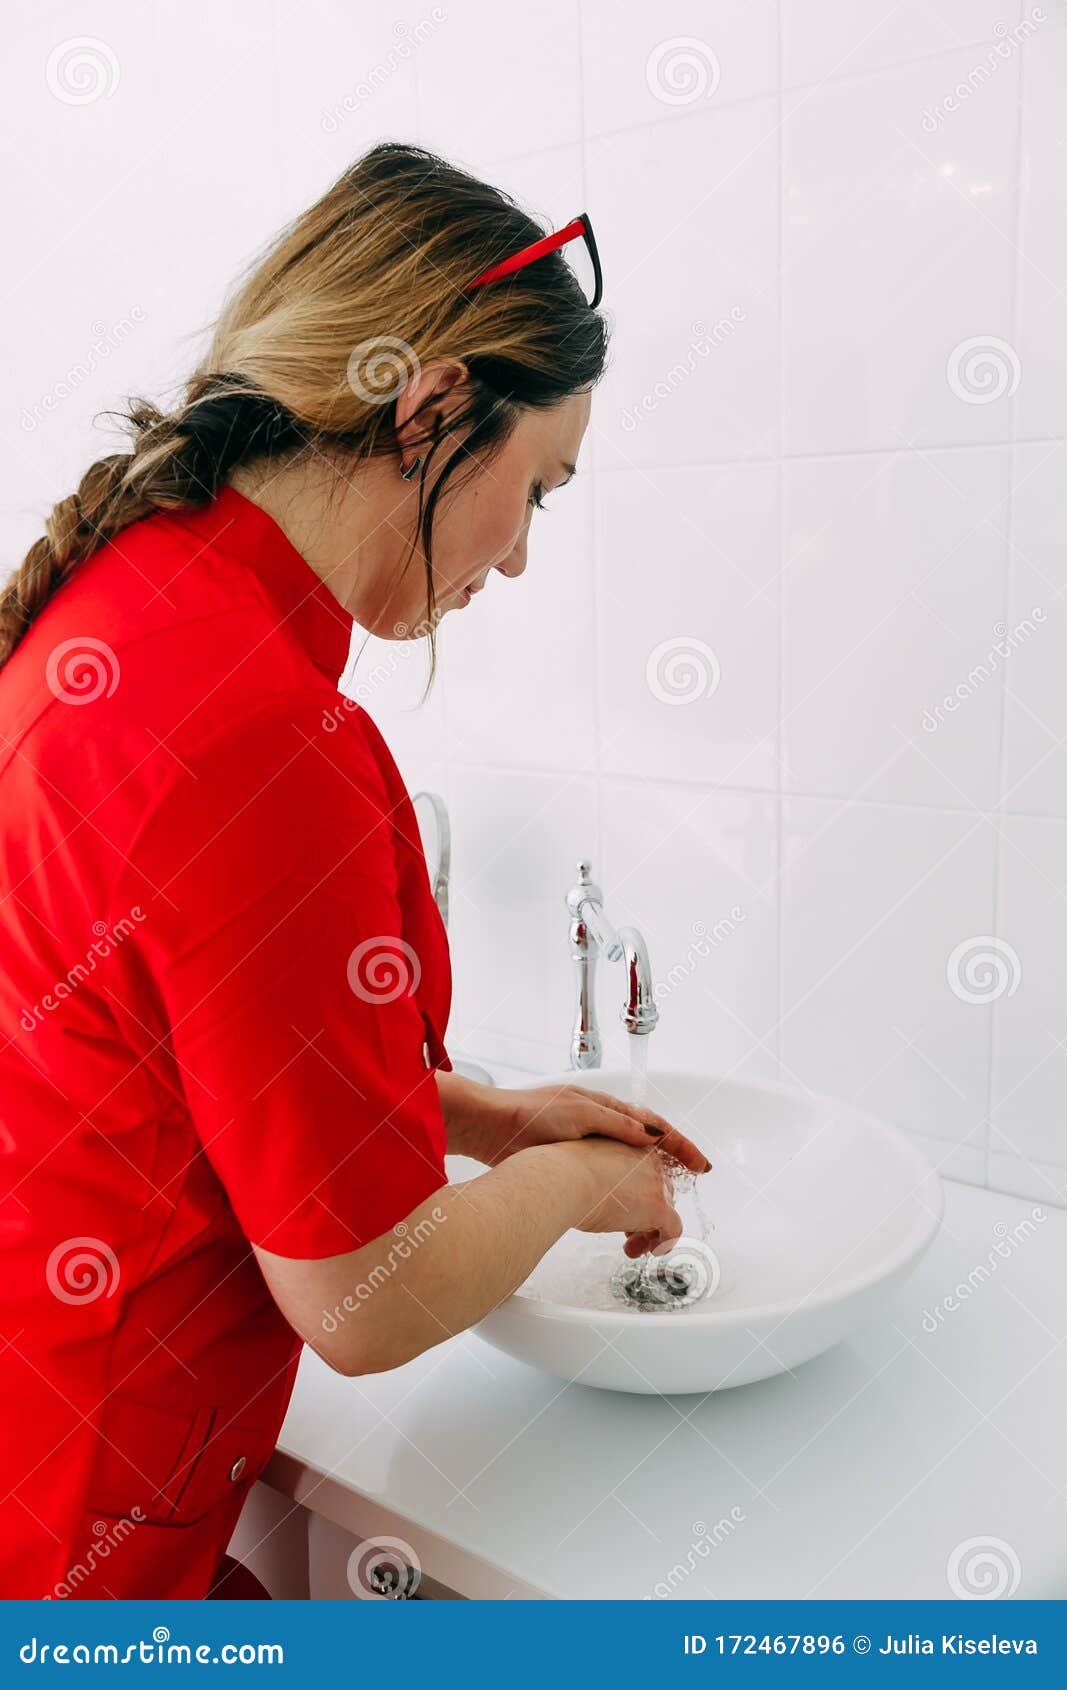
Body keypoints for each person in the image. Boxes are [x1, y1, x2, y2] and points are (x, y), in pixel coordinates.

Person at [0, 142, 709, 1601]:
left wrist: (477, 1115)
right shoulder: (256, 732)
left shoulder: (125, 598)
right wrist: (582, 1177)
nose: (514, 559)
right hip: (78, 1535)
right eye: (542, 487)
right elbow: (363, 1301)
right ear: (435, 404)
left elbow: (156, 1040)